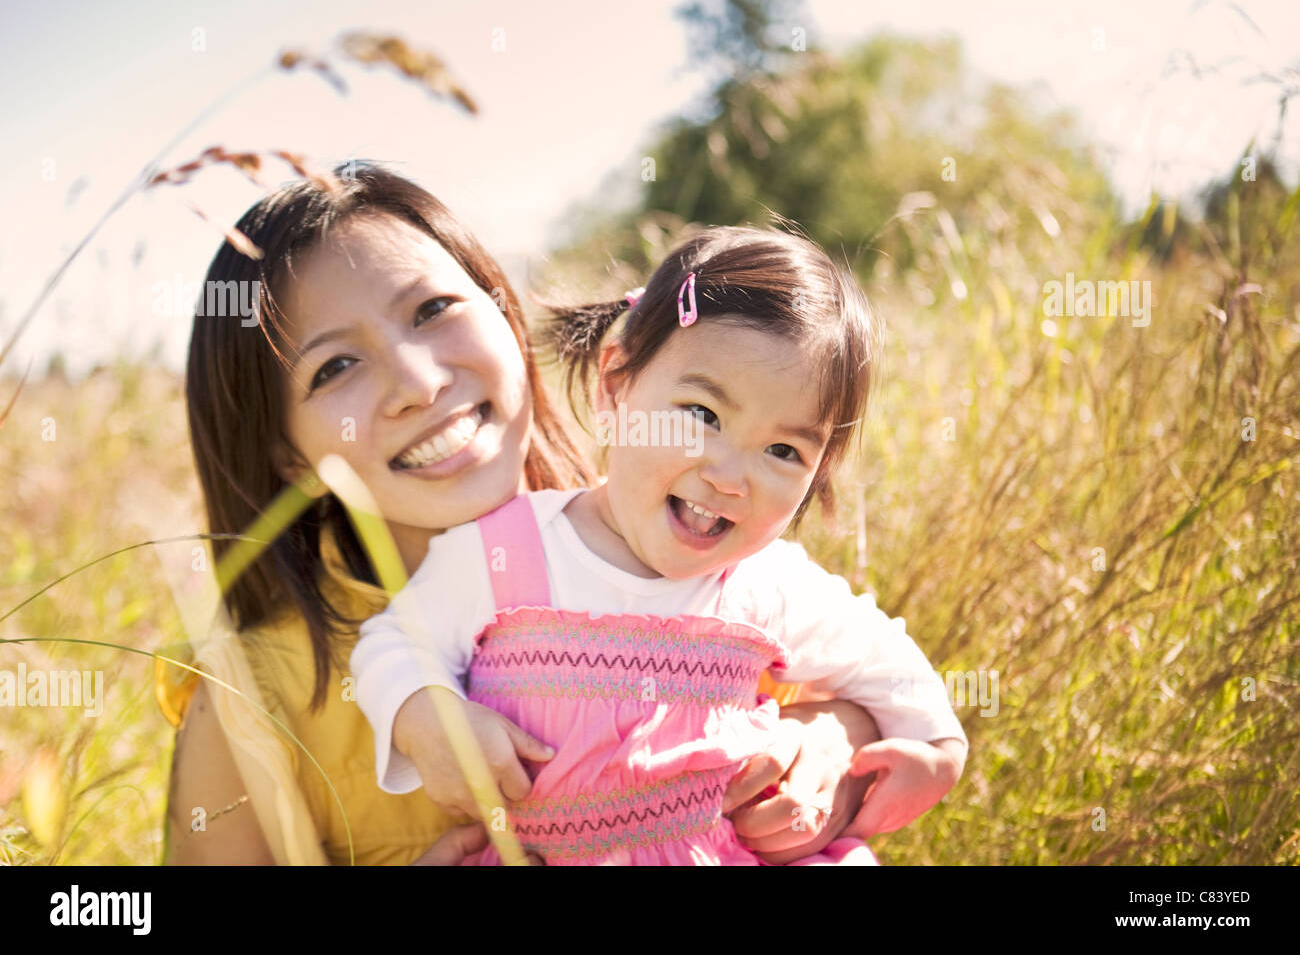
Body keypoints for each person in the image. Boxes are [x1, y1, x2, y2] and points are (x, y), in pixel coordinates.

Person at [163, 165, 887, 865]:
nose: (418, 383)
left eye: (433, 310)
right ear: (288, 456)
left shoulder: (685, 535)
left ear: (505, 315)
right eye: (335, 367)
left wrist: (831, 740)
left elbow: (861, 692)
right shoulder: (252, 699)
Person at [351, 225, 966, 865]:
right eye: (702, 415)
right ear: (616, 384)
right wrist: (429, 717)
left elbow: (884, 657)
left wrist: (937, 751)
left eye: (784, 451)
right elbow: (395, 644)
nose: (729, 475)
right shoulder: (509, 551)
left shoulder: (765, 583)